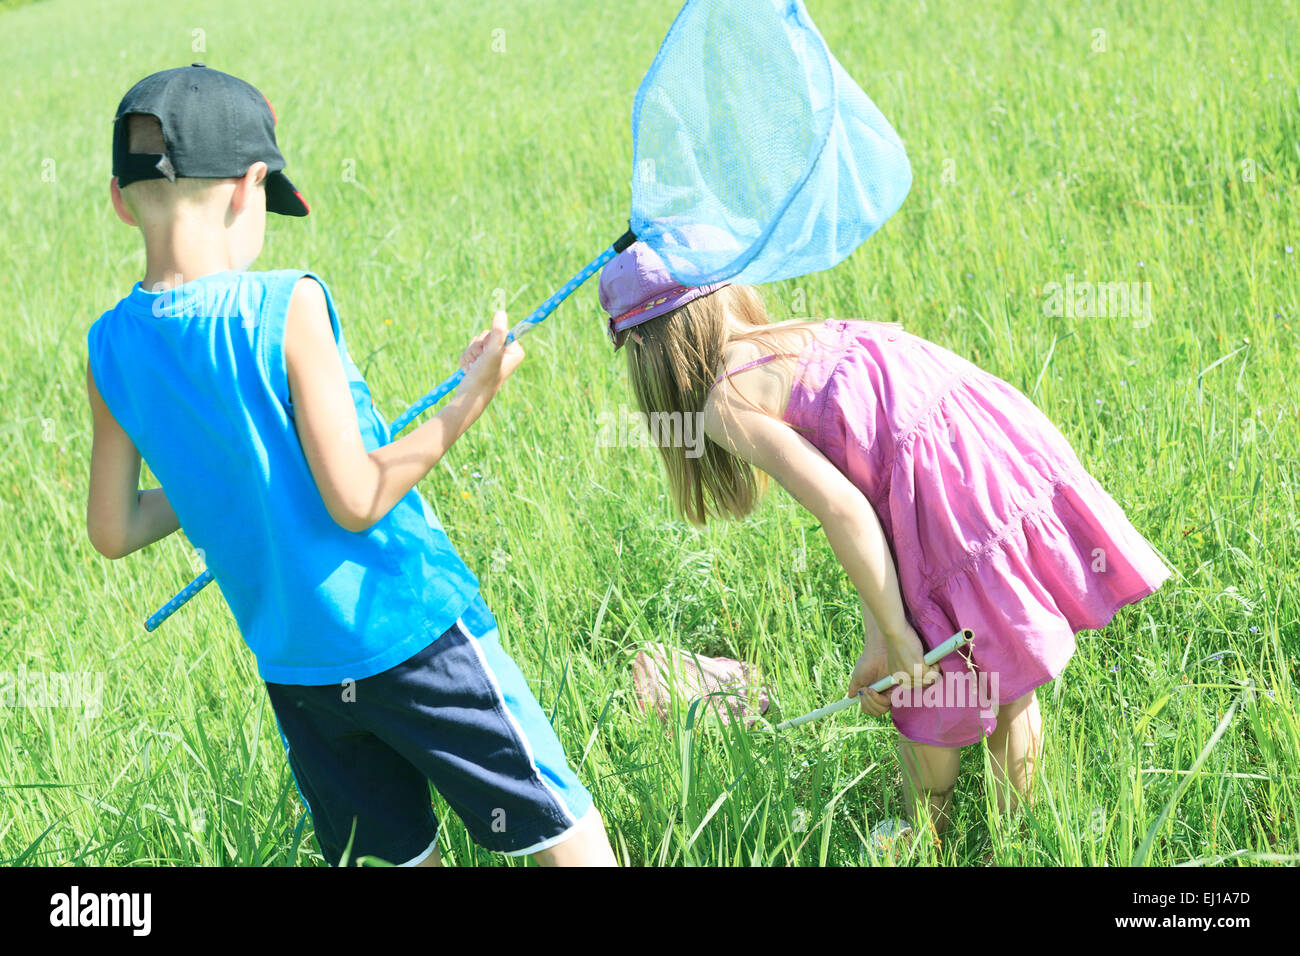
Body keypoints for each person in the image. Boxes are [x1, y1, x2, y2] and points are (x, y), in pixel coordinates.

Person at [85, 64, 615, 866]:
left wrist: (229, 481)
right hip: (408, 630)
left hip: (297, 669)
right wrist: (470, 398)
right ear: (247, 186)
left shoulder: (110, 345)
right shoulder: (285, 304)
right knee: (556, 826)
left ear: (123, 201)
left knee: (391, 857)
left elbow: (115, 528)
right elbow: (358, 498)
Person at [599, 230, 1170, 836]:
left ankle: (929, 837)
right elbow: (874, 500)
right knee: (1007, 677)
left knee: (922, 691)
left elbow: (846, 509)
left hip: (942, 497)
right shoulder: (791, 336)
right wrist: (879, 638)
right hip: (984, 455)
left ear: (645, 349)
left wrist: (897, 635)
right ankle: (1019, 840)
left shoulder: (725, 400)